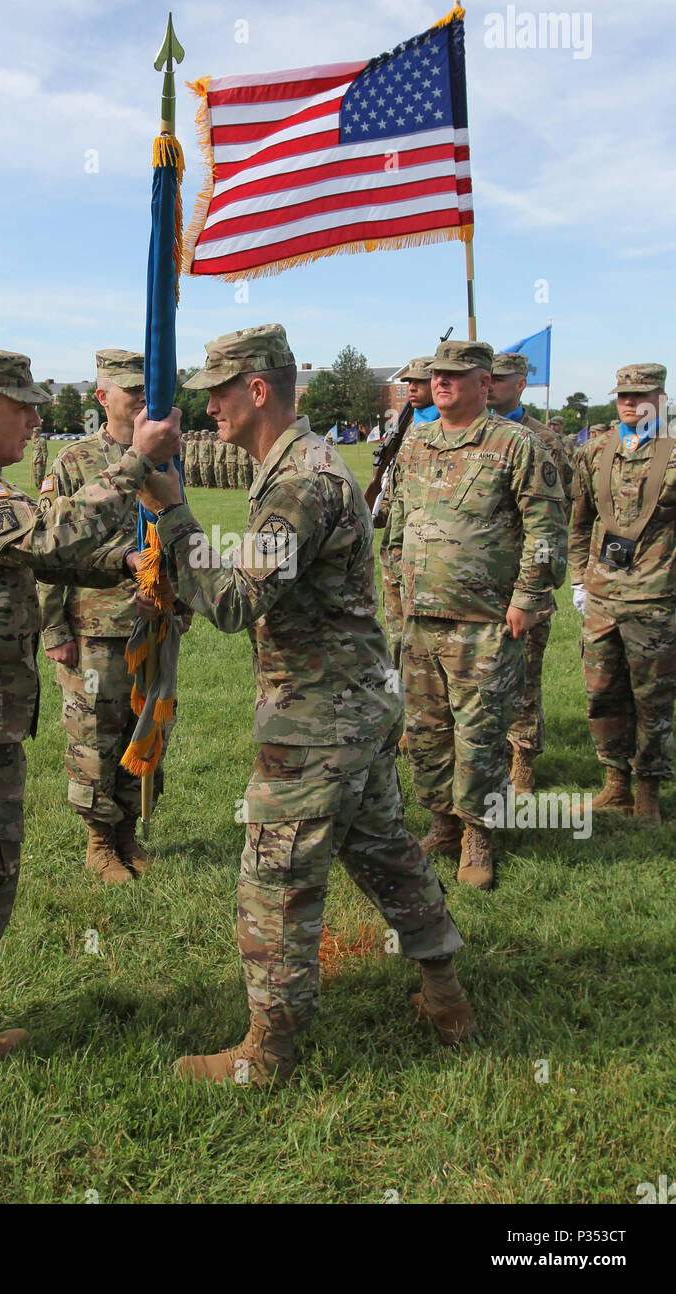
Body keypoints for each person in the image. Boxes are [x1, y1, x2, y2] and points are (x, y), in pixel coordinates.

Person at [133, 324, 473, 1087]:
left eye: (217, 394)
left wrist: (174, 513)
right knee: (387, 853)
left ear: (257, 390)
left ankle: (270, 1052)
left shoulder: (300, 484)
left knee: (275, 885)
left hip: (318, 725)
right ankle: (446, 995)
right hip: (353, 711)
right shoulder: (298, 465)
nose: (209, 408)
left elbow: (230, 601)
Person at [0, 344, 179, 1080]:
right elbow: (46, 532)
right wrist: (134, 463)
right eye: (24, 408)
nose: (37, 420)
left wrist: (121, 564)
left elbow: (41, 555)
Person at [387, 340, 567, 888]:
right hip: (420, 617)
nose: (442, 382)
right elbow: (397, 515)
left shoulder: (514, 444)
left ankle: (478, 835)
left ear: (485, 384)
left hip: (486, 621)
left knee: (481, 734)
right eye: (438, 374)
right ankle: (442, 823)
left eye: (457, 375)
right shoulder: (416, 441)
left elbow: (546, 527)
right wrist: (396, 581)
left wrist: (527, 598)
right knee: (424, 732)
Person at [37, 350, 173, 882]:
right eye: (131, 389)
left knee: (143, 731)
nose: (143, 398)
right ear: (102, 398)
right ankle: (98, 842)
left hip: (149, 624)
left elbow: (179, 535)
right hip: (92, 629)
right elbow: (47, 553)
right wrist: (54, 629)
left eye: (148, 389)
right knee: (94, 739)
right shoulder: (74, 463)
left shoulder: (165, 459)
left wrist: (177, 604)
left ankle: (126, 834)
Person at [569, 364, 676, 825]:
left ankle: (648, 791)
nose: (630, 402)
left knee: (653, 698)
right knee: (602, 693)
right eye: (623, 395)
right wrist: (577, 578)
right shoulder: (595, 451)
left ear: (661, 395)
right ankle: (615, 784)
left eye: (641, 394)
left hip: (656, 595)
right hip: (602, 596)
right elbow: (579, 522)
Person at [488, 352, 573, 792]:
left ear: (520, 384)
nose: (491, 386)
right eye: (488, 379)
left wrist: (534, 585)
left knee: (524, 676)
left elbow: (556, 519)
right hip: (482, 584)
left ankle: (523, 759)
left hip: (526, 581)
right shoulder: (477, 434)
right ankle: (492, 756)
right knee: (488, 678)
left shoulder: (546, 442)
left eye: (500, 380)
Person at [378, 356, 437, 670]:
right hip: (395, 550)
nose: (411, 388)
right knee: (398, 638)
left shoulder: (444, 430)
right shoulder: (410, 425)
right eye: (408, 383)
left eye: (419, 382)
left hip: (428, 554)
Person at [30, 425, 48, 491]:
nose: (33, 433)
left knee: (39, 475)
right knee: (35, 475)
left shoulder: (42, 440)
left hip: (40, 460)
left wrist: (44, 460)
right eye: (33, 432)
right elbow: (33, 450)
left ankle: (41, 487)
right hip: (34, 459)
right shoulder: (33, 440)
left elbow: (44, 451)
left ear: (38, 433)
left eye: (34, 432)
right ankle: (38, 487)